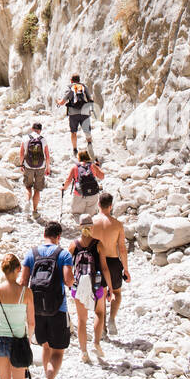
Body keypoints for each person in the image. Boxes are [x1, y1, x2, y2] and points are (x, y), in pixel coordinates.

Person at [21, 221, 74, 379]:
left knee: (45, 346)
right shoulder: (64, 254)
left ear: (44, 233)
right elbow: (68, 281)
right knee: (58, 350)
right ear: (59, 236)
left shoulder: (31, 253)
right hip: (58, 308)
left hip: (37, 309)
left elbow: (23, 281)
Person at [90, 193, 130, 336]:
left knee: (100, 293)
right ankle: (112, 318)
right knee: (117, 292)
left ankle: (101, 327)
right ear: (111, 206)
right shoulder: (117, 225)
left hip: (96, 262)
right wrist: (126, 269)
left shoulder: (91, 222)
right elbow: (122, 249)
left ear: (98, 204)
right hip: (113, 261)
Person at [68, 225, 108, 361]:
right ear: (91, 227)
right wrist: (110, 288)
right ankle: (96, 343)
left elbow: (68, 267)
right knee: (99, 313)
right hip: (96, 285)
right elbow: (104, 267)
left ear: (79, 227)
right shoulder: (98, 244)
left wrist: (68, 285)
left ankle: (83, 352)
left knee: (81, 320)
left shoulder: (73, 245)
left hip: (78, 285)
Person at [56, 72, 96, 158]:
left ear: (71, 80)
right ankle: (89, 144)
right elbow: (90, 99)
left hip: (73, 114)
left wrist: (58, 101)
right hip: (85, 112)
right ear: (79, 80)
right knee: (87, 130)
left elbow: (62, 102)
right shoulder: (84, 87)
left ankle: (75, 150)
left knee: (73, 132)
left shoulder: (69, 87)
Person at [62, 150, 105, 223]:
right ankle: (88, 231)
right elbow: (102, 176)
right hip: (93, 194)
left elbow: (68, 181)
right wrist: (98, 166)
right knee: (90, 216)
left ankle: (81, 231)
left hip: (79, 195)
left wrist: (63, 188)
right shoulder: (92, 166)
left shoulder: (75, 167)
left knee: (77, 215)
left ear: (78, 158)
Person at [19, 122, 50, 216]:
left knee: (28, 187)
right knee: (37, 189)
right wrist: (48, 168)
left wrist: (21, 165)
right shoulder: (43, 140)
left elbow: (21, 154)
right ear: (40, 130)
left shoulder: (25, 138)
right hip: (40, 167)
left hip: (28, 166)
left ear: (32, 129)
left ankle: (27, 201)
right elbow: (47, 156)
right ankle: (35, 211)